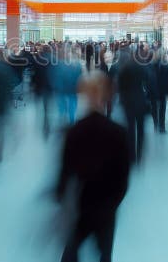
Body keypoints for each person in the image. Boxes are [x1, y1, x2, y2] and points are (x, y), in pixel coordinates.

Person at [57, 71, 130, 262]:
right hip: (107, 206)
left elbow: (64, 176)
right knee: (105, 254)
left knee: (71, 252)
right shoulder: (119, 133)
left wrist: (61, 200)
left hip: (83, 203)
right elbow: (123, 179)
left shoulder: (74, 132)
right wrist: (113, 204)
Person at [116, 48, 149, 164]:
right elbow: (148, 82)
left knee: (130, 128)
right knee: (141, 128)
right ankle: (139, 153)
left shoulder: (124, 68)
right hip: (140, 100)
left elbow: (119, 86)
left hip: (128, 101)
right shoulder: (142, 68)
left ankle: (131, 155)